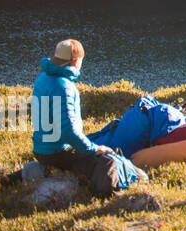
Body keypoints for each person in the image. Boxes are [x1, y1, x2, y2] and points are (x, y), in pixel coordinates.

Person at [29, 39, 131, 198]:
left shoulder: (42, 78)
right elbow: (68, 131)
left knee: (88, 149)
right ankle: (101, 197)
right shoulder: (64, 87)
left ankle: (18, 176)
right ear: (76, 61)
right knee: (108, 161)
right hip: (58, 152)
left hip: (41, 149)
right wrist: (94, 149)